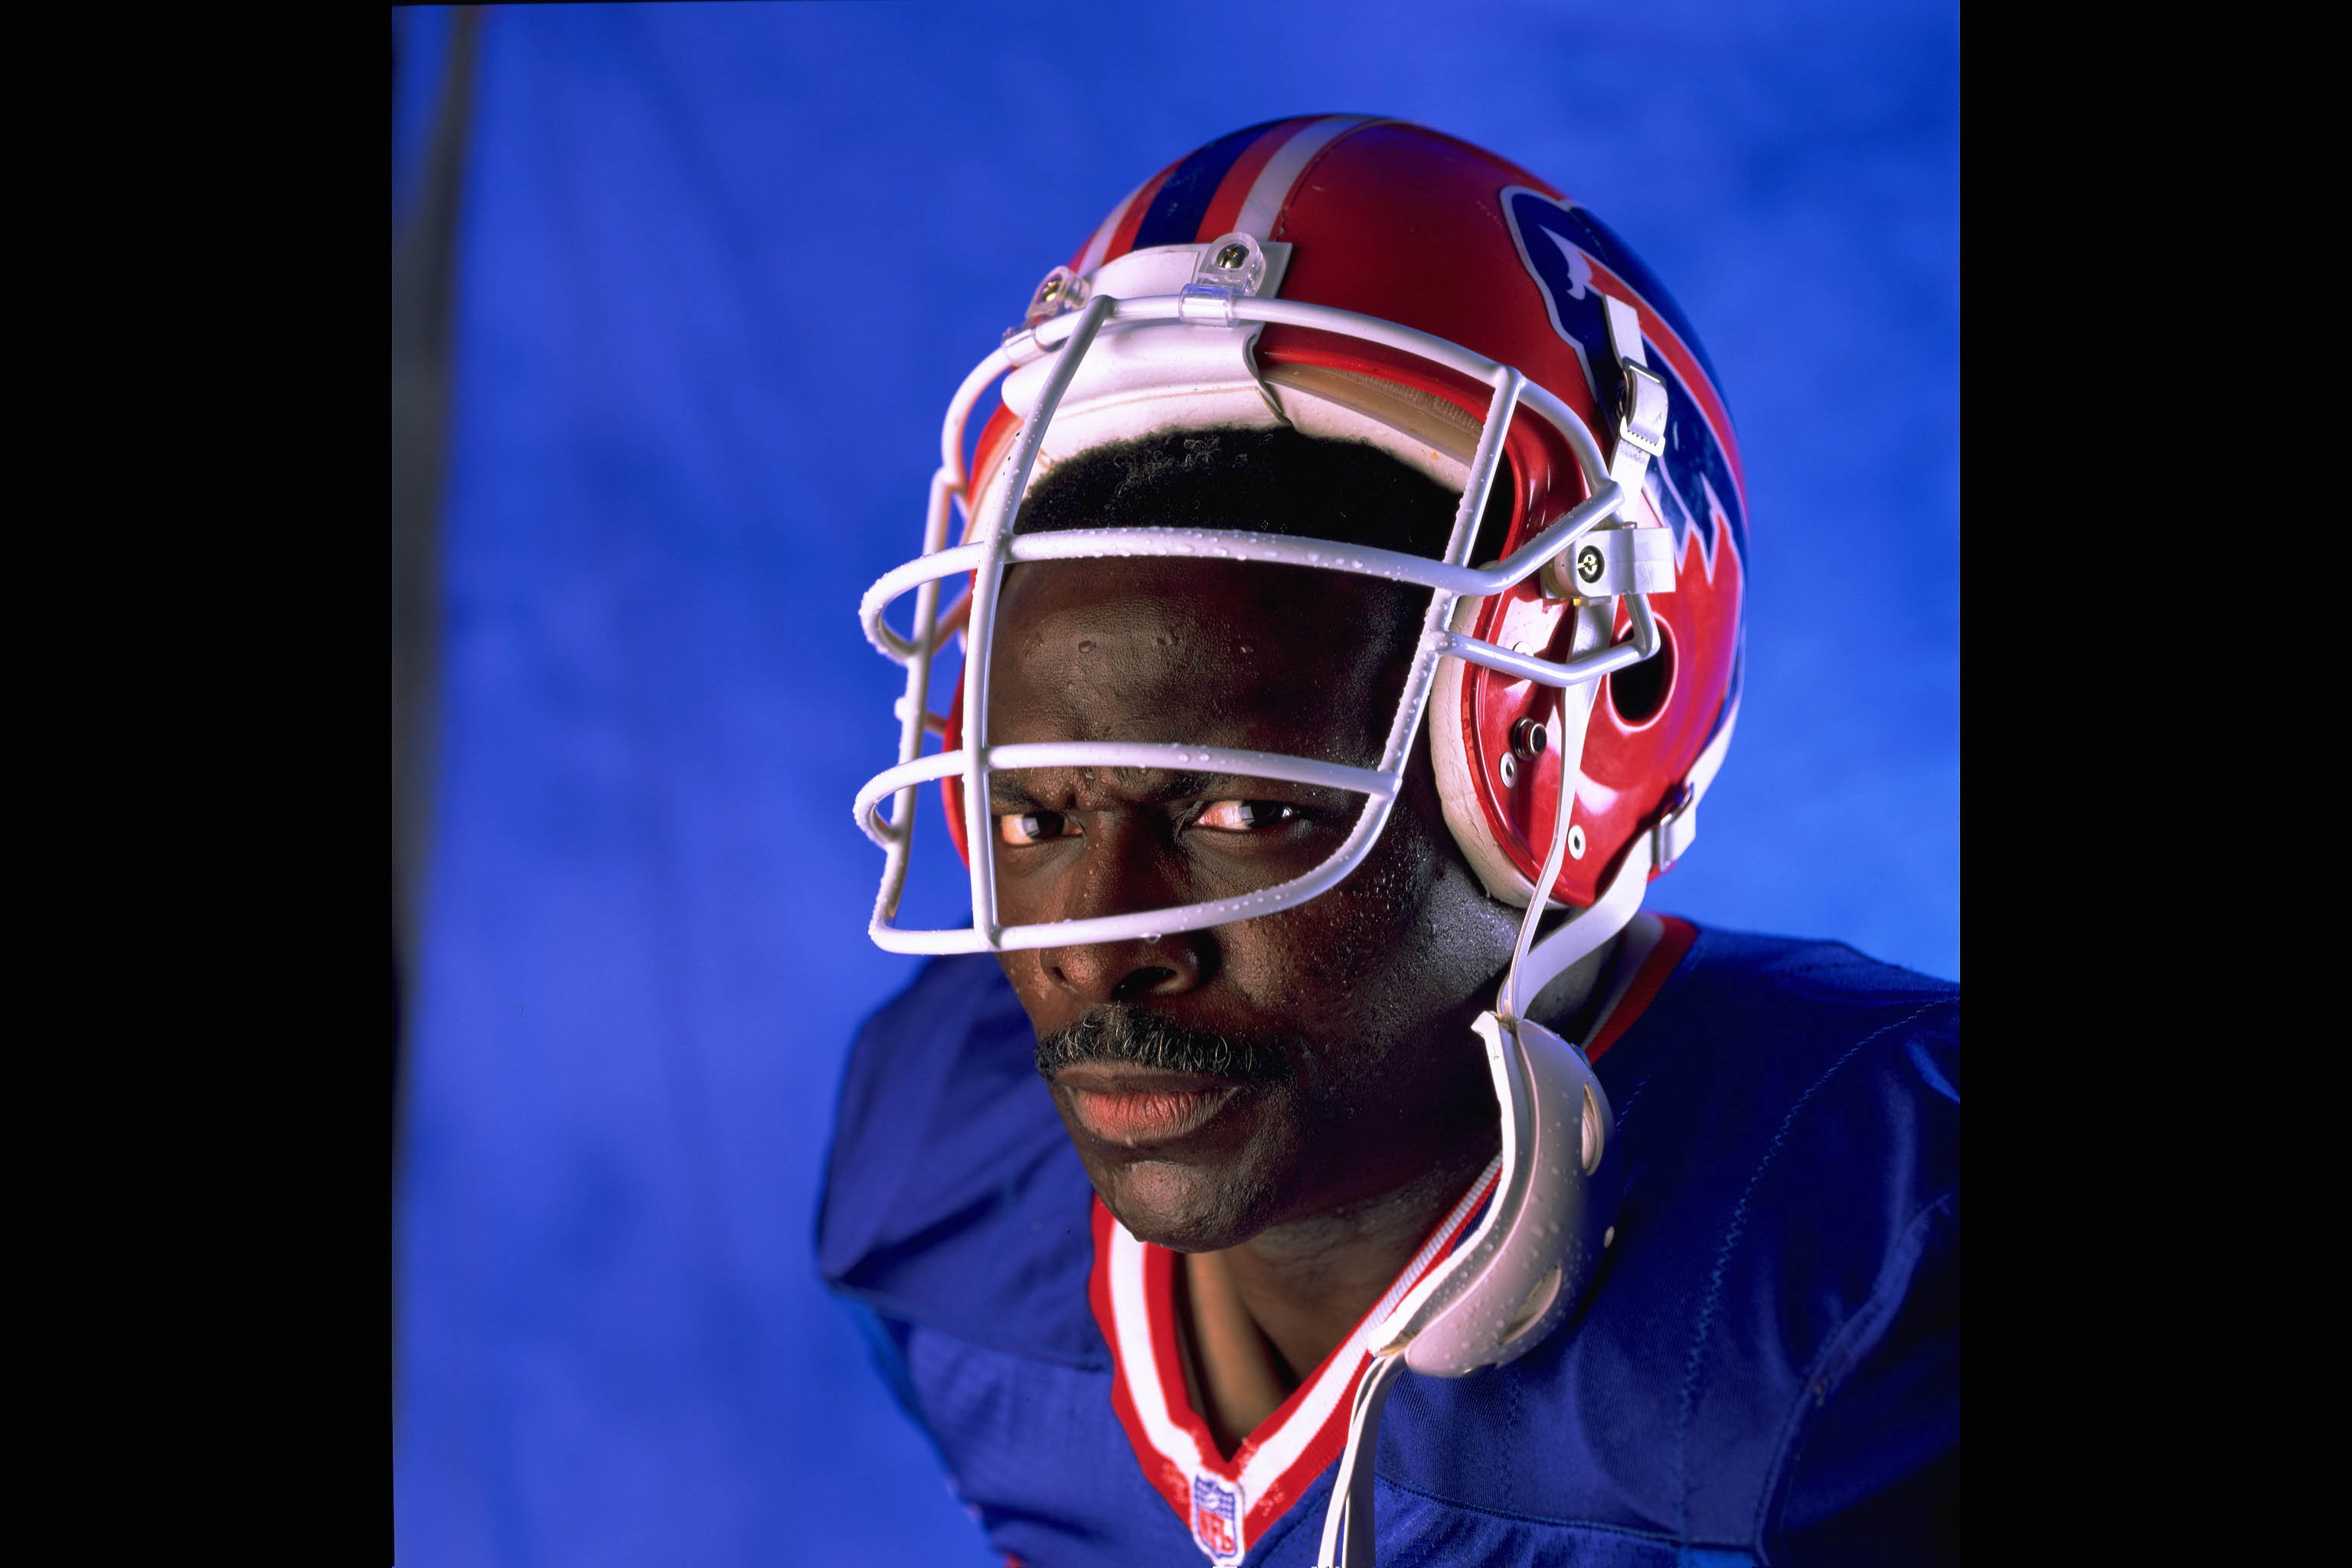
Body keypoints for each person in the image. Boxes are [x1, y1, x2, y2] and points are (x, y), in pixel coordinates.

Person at [821, 116, 1956, 1568]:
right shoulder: (937, 1155)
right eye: (1036, 813)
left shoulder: (1869, 1252)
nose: (1099, 945)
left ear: (1568, 750)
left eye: (1244, 811)